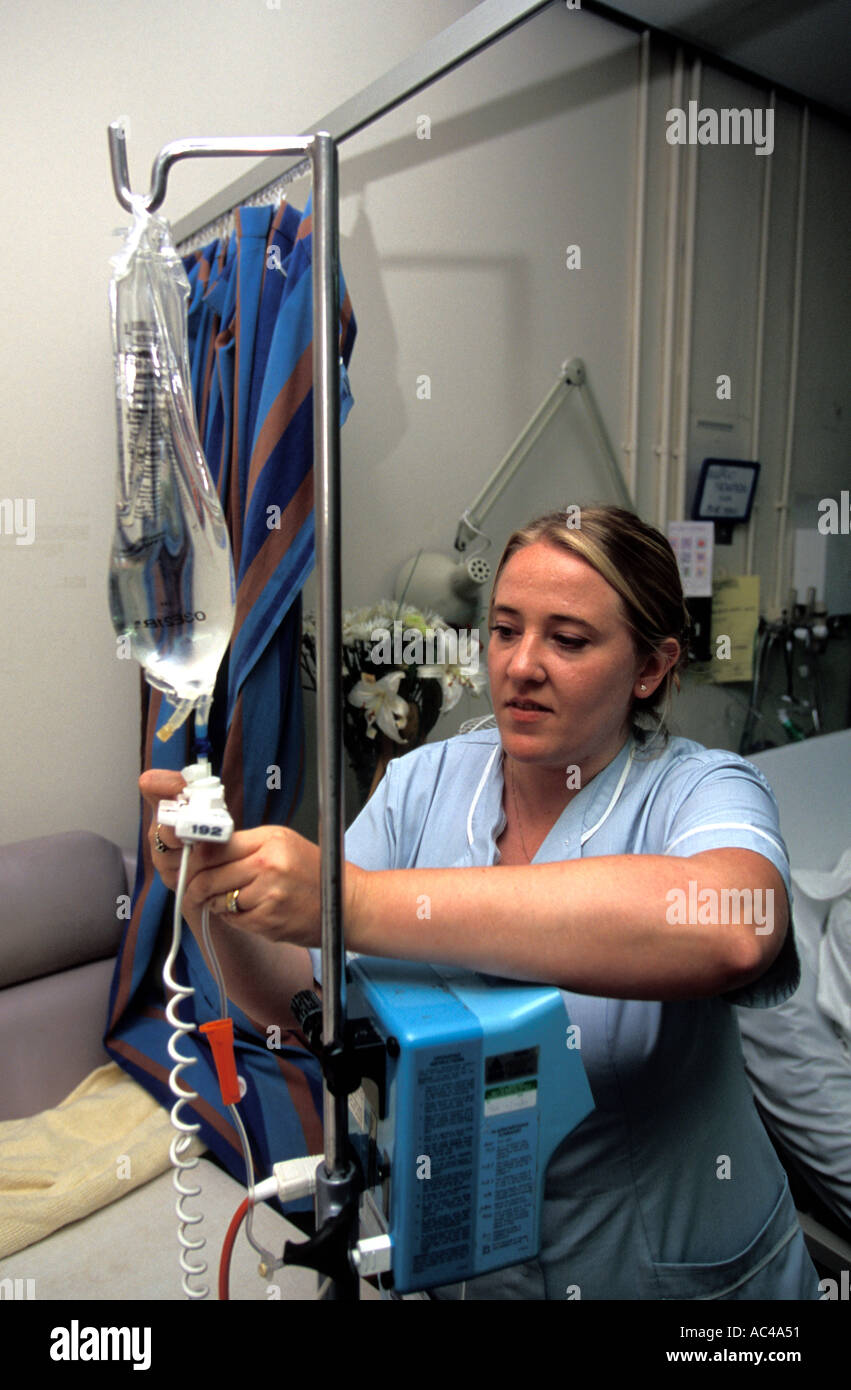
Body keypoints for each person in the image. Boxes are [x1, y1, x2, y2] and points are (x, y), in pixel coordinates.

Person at [141, 504, 822, 1300]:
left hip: (666, 1276)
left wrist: (352, 900)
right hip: (469, 1274)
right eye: (504, 630)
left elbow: (732, 930)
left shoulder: (699, 789)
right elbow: (306, 992)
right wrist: (206, 893)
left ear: (649, 667)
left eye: (567, 640)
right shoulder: (423, 784)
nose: (522, 664)